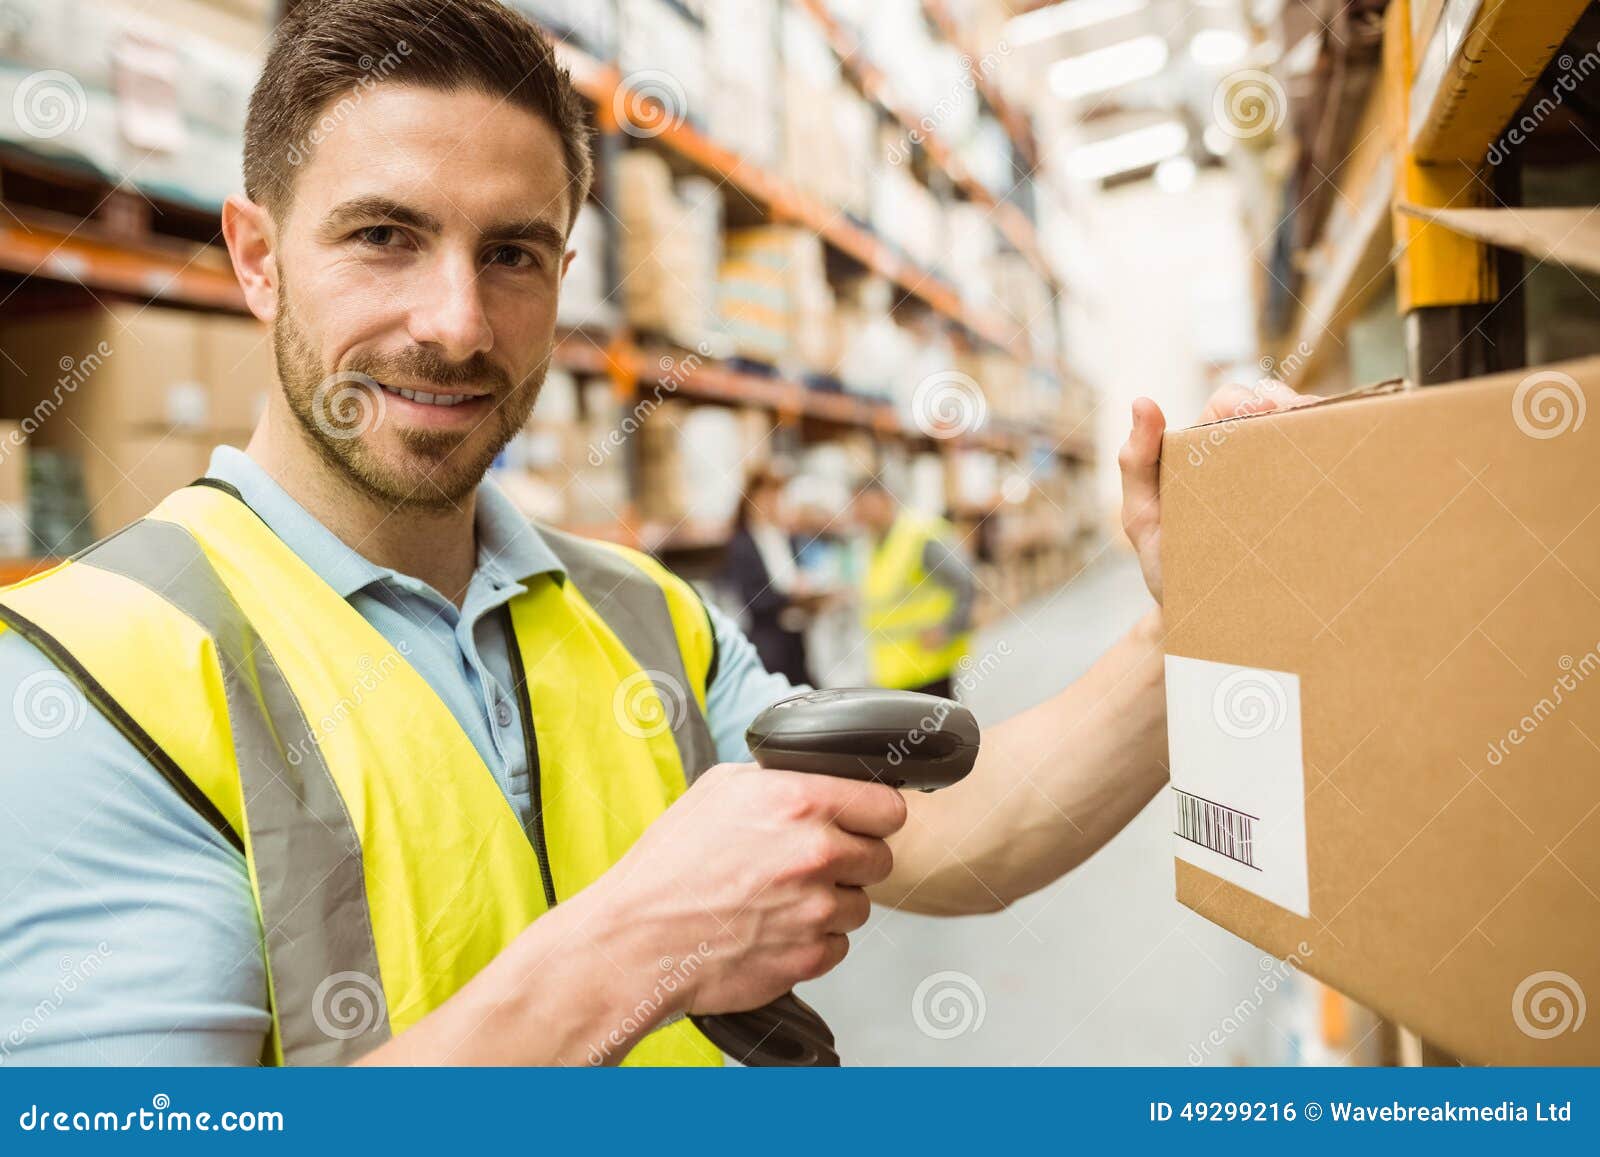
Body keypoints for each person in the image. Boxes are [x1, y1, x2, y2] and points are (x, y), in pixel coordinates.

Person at [0, 0, 1304, 1067]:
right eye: (385, 237)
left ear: (565, 277)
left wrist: (1190, 623)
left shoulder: (639, 615)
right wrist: (636, 949)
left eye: (513, 253)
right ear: (257, 257)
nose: (455, 321)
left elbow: (969, 834)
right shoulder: (93, 680)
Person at [851, 479, 976, 699]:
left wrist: (948, 629)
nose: (860, 512)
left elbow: (965, 582)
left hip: (930, 668)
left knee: (941, 731)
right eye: (855, 505)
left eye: (864, 503)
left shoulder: (918, 535)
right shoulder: (871, 544)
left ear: (885, 500)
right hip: (896, 674)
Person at [719, 467, 818, 686]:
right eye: (765, 498)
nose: (771, 504)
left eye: (776, 498)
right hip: (768, 644)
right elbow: (752, 599)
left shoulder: (786, 538)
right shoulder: (742, 545)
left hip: (797, 639)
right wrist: (790, 596)